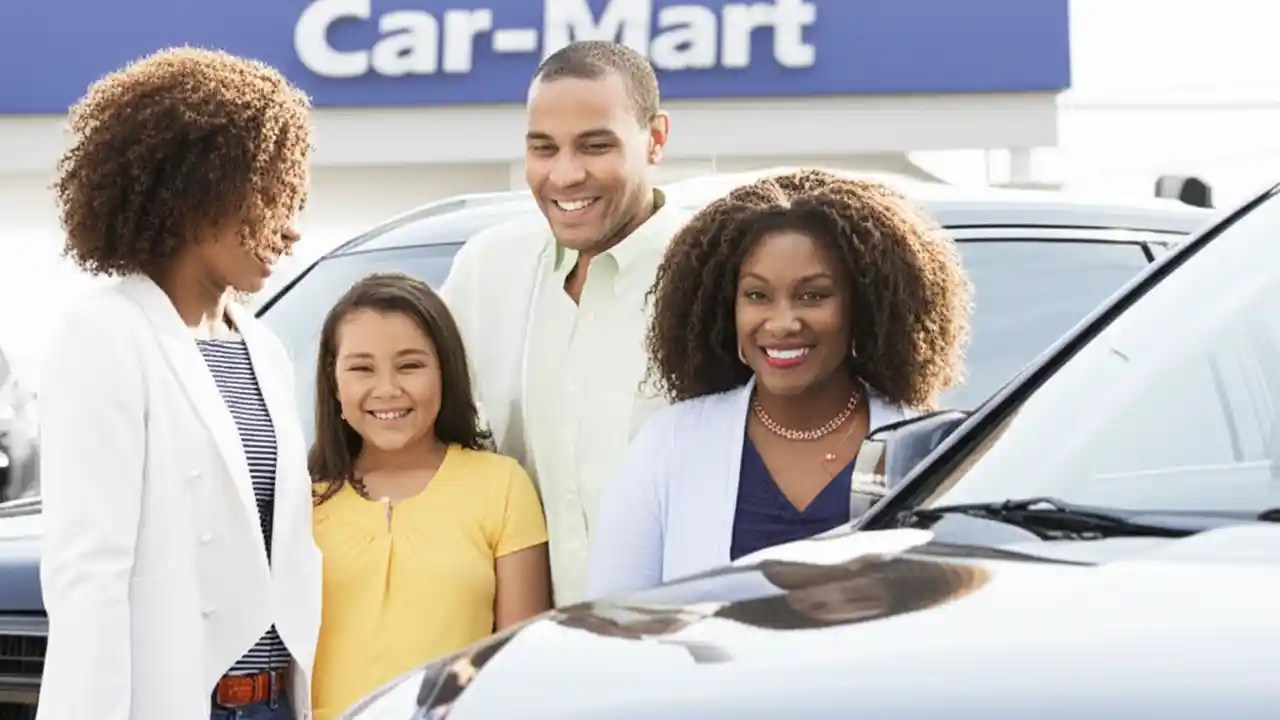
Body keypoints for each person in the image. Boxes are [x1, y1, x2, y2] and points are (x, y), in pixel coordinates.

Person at [38, 47, 320, 719]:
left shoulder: (264, 346)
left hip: (281, 702)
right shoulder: (106, 334)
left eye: (296, 198)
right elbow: (90, 575)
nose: (291, 227)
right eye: (272, 195)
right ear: (200, 192)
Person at [587, 169, 973, 598]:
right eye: (757, 296)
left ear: (862, 307)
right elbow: (616, 622)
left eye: (813, 295)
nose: (783, 322)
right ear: (725, 308)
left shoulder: (929, 450)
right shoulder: (668, 446)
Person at [440, 40, 693, 606]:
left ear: (655, 139)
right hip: (529, 655)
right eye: (543, 148)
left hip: (680, 646)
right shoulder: (485, 271)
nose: (565, 174)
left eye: (595, 146)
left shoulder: (717, 271)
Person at [309, 273, 550, 720]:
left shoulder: (501, 485)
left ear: (445, 369)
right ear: (333, 378)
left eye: (410, 365)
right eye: (362, 368)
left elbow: (521, 667)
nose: (387, 389)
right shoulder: (302, 499)